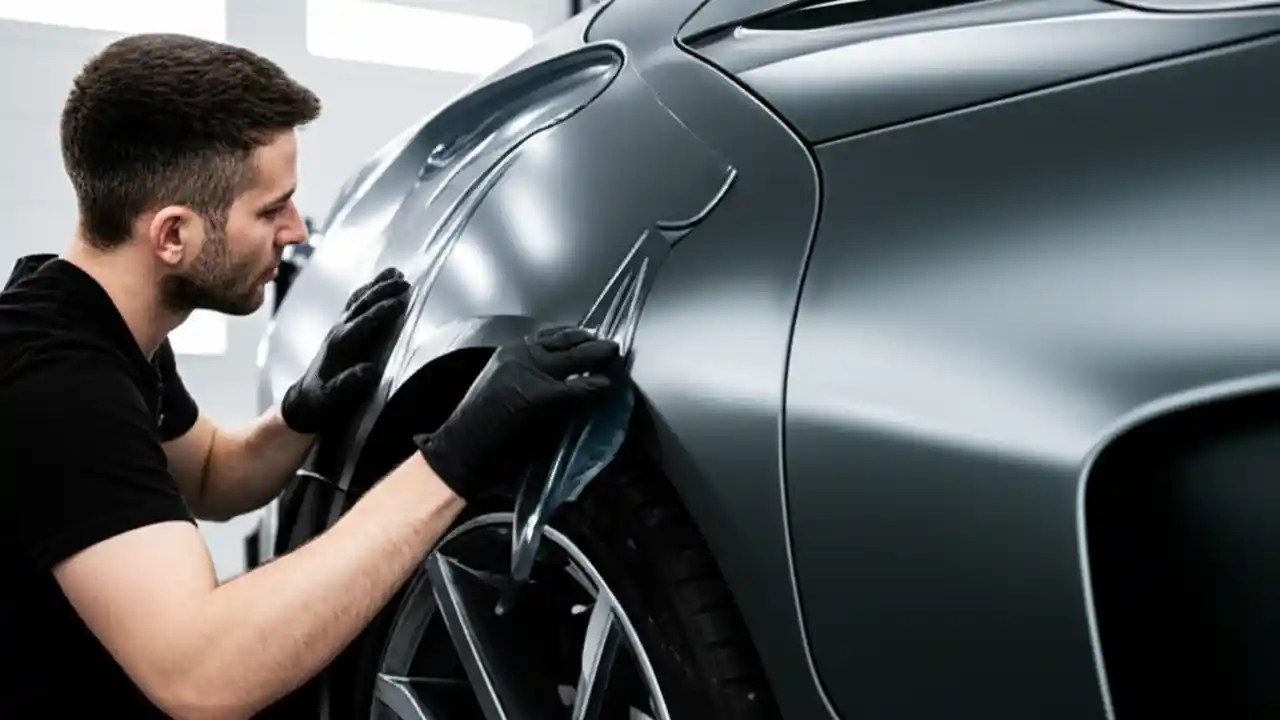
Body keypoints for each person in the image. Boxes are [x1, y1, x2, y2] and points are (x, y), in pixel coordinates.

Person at [0, 33, 619, 718]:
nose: (296, 231)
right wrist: (452, 464)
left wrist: (299, 414)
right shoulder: (56, 386)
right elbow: (202, 676)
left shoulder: (90, 318)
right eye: (270, 209)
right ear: (172, 236)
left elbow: (207, 474)